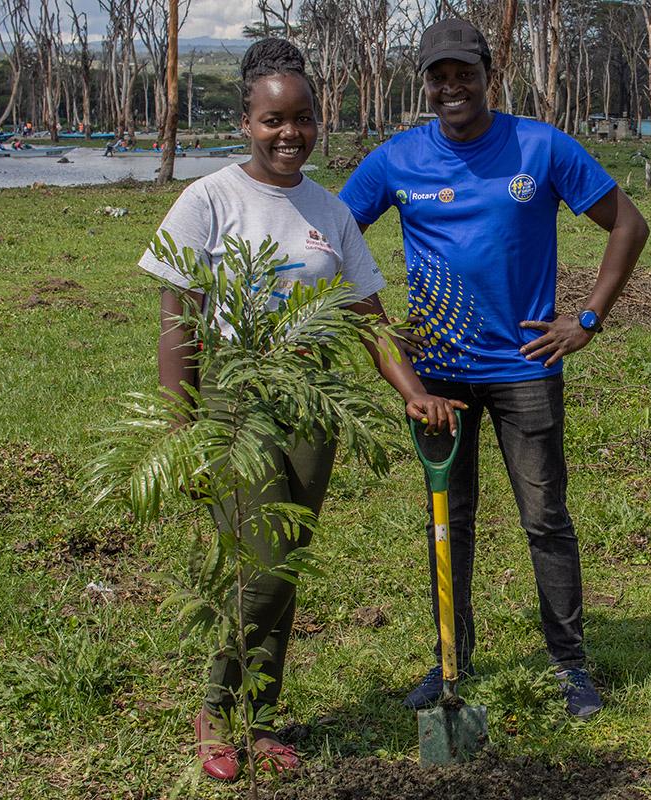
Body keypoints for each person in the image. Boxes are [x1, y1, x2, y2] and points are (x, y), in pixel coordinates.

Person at [139, 38, 465, 781]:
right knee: (261, 567)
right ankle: (217, 712)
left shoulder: (330, 211)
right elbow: (177, 321)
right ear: (246, 121)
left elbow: (368, 318)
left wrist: (414, 392)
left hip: (315, 407)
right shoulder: (209, 199)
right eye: (273, 120)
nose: (290, 134)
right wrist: (180, 427)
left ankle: (256, 715)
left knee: (285, 566)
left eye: (305, 119)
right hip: (236, 400)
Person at [340, 18, 649, 719]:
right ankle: (452, 660)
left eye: (464, 73)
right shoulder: (394, 161)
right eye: (438, 76)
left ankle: (569, 666)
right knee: (449, 519)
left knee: (545, 518)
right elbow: (332, 236)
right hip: (438, 376)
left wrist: (586, 320)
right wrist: (380, 324)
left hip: (524, 368)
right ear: (425, 83)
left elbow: (628, 225)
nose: (452, 87)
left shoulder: (540, 146)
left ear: (488, 73)